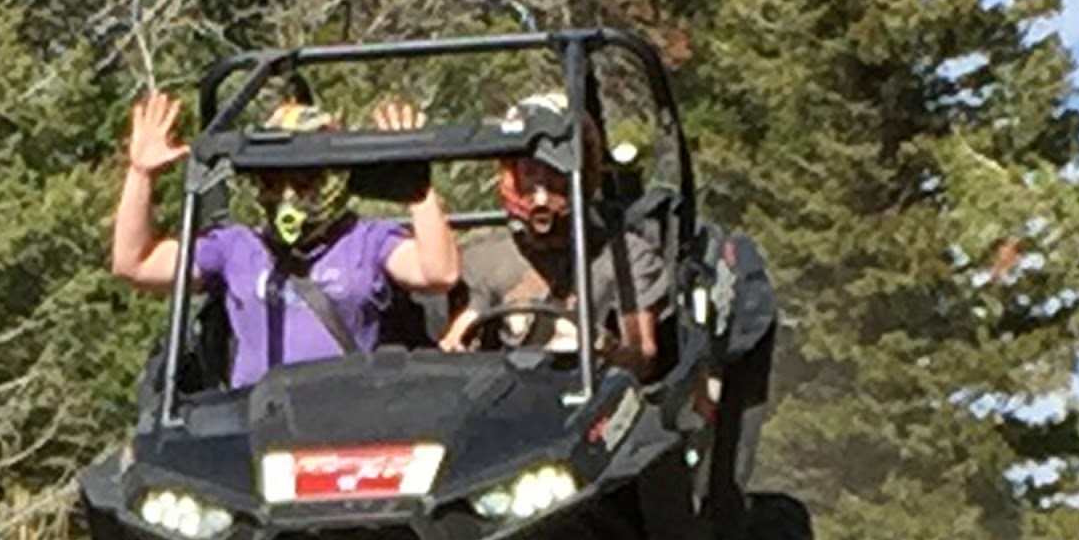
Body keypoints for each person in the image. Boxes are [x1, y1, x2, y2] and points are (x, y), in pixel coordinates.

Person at [112, 93, 460, 388]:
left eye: (305, 181)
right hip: (258, 421)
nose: (288, 196)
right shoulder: (234, 247)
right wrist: (141, 174)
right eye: (273, 181)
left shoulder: (367, 240)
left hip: (350, 417)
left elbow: (438, 274)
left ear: (331, 179)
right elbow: (135, 264)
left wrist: (416, 187)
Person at [440, 92, 668, 381]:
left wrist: (604, 347)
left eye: (555, 172)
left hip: (593, 391)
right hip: (513, 395)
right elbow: (461, 331)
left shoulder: (625, 257)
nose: (542, 187)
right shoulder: (486, 258)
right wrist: (454, 349)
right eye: (530, 171)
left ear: (581, 173)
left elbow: (642, 358)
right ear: (513, 177)